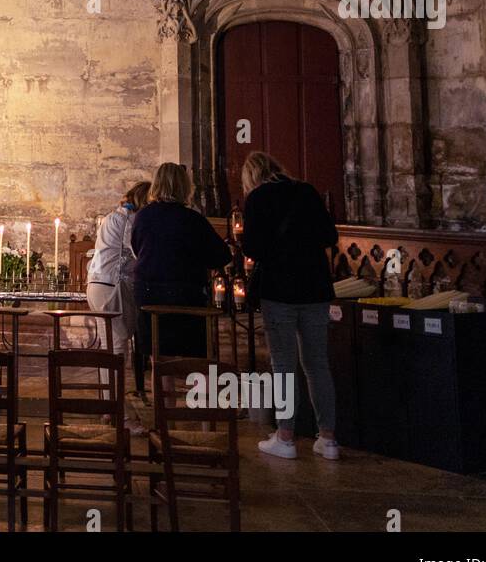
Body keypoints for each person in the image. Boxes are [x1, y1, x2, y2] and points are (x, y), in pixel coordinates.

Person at [239, 151, 341, 461]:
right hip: (314, 288)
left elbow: (253, 248)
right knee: (317, 364)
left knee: (283, 365)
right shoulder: (306, 191)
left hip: (279, 290)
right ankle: (328, 439)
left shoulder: (257, 199)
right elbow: (329, 235)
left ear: (251, 177)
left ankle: (285, 436)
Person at [129, 163, 232, 393]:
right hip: (186, 296)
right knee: (199, 355)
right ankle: (205, 416)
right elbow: (220, 256)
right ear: (185, 187)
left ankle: (163, 417)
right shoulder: (192, 219)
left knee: (160, 357)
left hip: (149, 293)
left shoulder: (143, 216)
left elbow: (137, 248)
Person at [87, 181, 151, 432]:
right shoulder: (129, 219)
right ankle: (121, 416)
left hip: (100, 283)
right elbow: (139, 252)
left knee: (110, 349)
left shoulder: (114, 216)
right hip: (111, 286)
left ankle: (109, 407)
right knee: (117, 350)